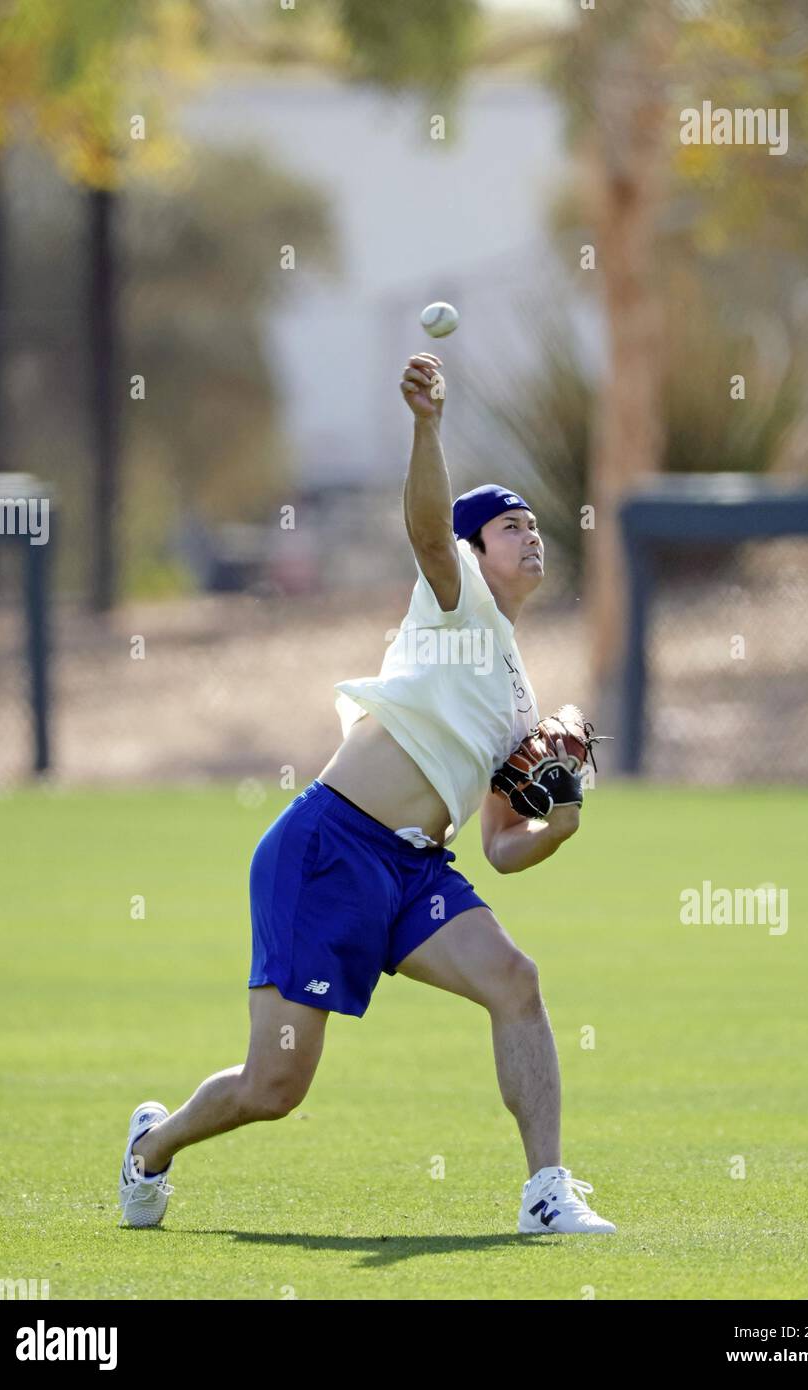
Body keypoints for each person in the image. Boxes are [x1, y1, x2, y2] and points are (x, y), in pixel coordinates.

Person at [118, 352, 616, 1236]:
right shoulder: (456, 600)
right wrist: (427, 427)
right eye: (510, 523)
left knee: (516, 981)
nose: (530, 532)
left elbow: (502, 846)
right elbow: (428, 527)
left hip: (416, 872)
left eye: (536, 523)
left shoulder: (518, 695)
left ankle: (546, 1193)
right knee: (273, 1087)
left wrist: (562, 825)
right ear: (473, 550)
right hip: (328, 849)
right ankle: (152, 1147)